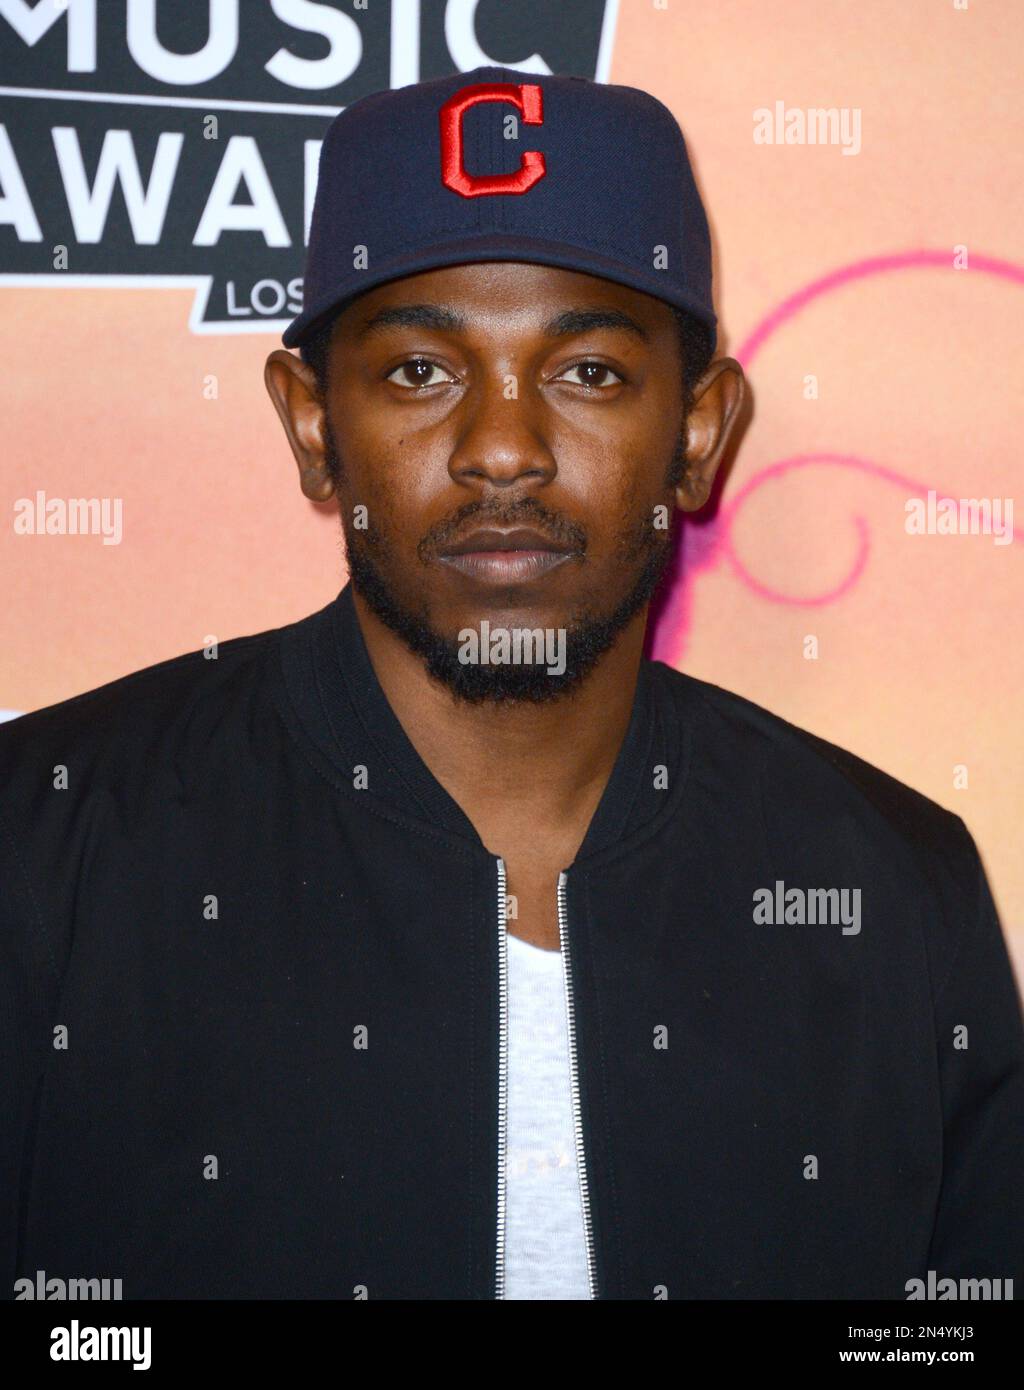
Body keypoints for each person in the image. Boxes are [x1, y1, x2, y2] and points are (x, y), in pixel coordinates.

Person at [2, 66, 1021, 1302]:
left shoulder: (891, 887)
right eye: (420, 372)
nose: (502, 447)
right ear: (314, 426)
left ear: (696, 433)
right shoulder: (41, 843)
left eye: (586, 371)